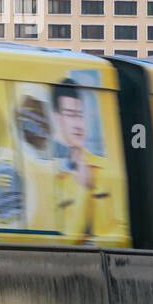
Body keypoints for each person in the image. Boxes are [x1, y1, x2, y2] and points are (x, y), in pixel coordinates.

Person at [51, 80, 102, 243]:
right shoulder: (55, 174)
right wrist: (83, 187)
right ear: (58, 119)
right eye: (71, 115)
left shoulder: (103, 169)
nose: (78, 125)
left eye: (80, 115)